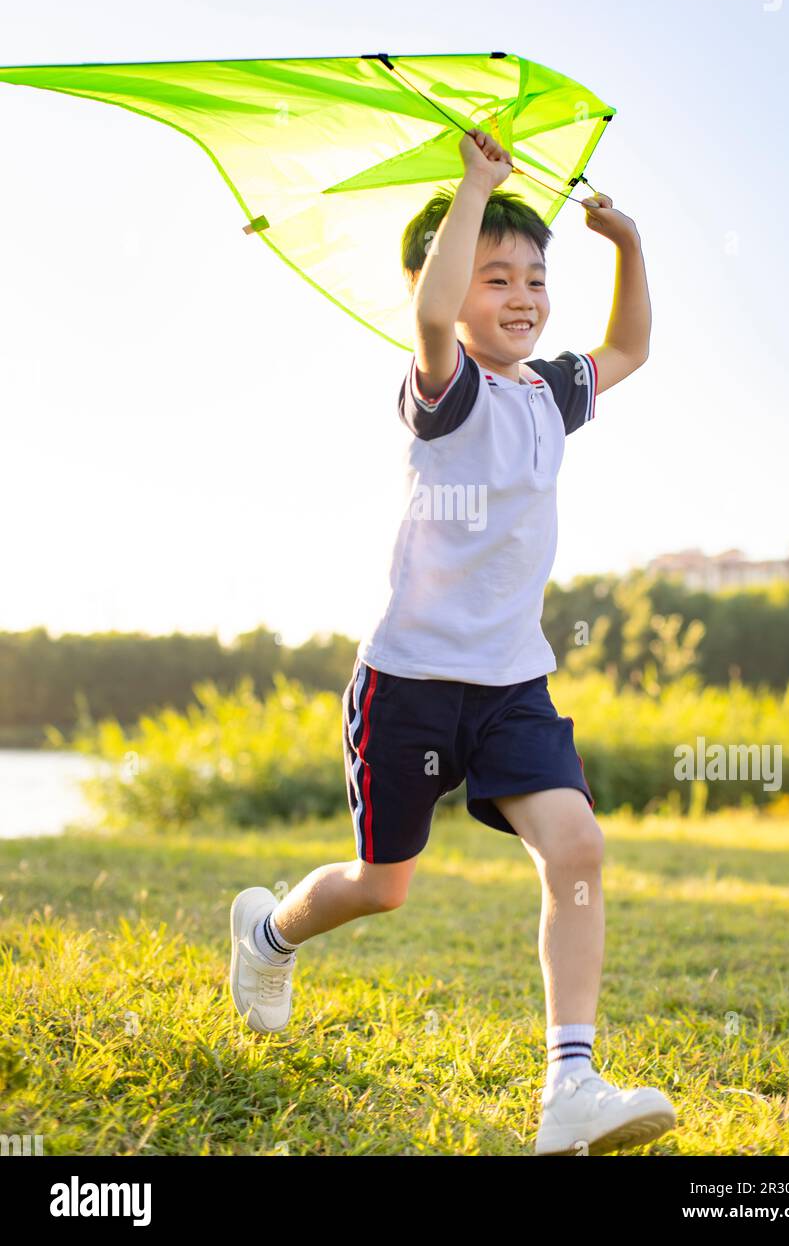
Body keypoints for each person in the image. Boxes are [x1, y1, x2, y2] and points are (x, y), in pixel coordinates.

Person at [229, 127, 676, 1155]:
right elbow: (434, 313)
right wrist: (475, 183)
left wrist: (630, 248)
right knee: (383, 884)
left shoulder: (550, 395)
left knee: (577, 847)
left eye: (533, 277)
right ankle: (266, 933)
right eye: (494, 277)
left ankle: (570, 1085)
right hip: (411, 683)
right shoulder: (447, 389)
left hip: (513, 683)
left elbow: (633, 348)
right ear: (451, 288)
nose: (520, 296)